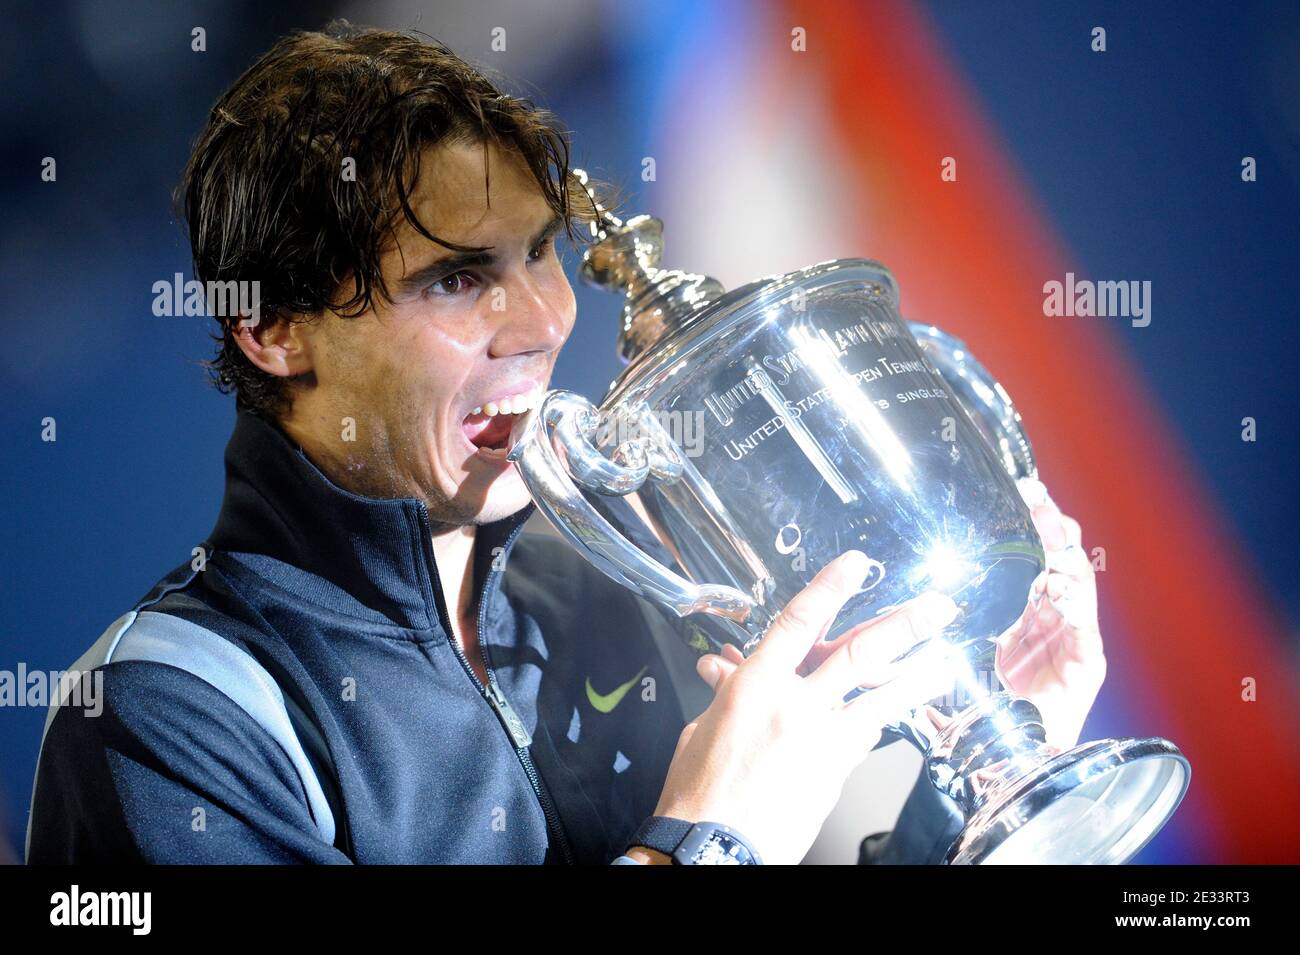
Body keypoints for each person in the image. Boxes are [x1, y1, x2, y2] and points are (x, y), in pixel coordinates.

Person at [25, 23, 1106, 865]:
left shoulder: (626, 588)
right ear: (274, 330)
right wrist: (706, 843)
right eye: (456, 278)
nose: (544, 321)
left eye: (541, 255)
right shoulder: (165, 717)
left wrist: (972, 801)